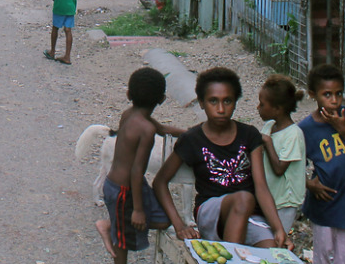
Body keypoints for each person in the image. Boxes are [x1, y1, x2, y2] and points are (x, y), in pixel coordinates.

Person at [153, 67, 288, 249]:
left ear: (235, 102)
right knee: (244, 199)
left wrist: (278, 229)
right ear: (201, 103)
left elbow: (261, 187)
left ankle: (232, 253)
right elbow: (160, 182)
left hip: (249, 215)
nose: (221, 109)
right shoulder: (192, 139)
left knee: (272, 250)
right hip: (211, 213)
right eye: (213, 101)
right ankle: (231, 256)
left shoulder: (249, 135)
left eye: (227, 101)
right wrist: (179, 226)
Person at [92, 67, 174, 263]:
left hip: (127, 186)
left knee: (163, 220)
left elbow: (162, 128)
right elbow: (137, 171)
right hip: (123, 189)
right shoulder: (146, 130)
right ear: (162, 99)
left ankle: (110, 224)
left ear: (128, 94)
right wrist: (137, 210)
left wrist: (190, 132)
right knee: (122, 242)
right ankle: (113, 226)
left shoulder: (129, 114)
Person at [298, 63, 345, 264]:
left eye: (339, 94)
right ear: (313, 95)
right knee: (324, 253)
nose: (334, 100)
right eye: (327, 94)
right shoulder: (306, 129)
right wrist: (309, 184)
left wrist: (343, 129)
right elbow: (293, 166)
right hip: (324, 202)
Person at [257, 75, 307, 236]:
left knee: (278, 239)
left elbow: (279, 169)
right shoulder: (269, 126)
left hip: (285, 201)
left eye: (262, 104)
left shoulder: (293, 134)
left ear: (277, 109)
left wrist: (267, 142)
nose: (258, 107)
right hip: (271, 196)